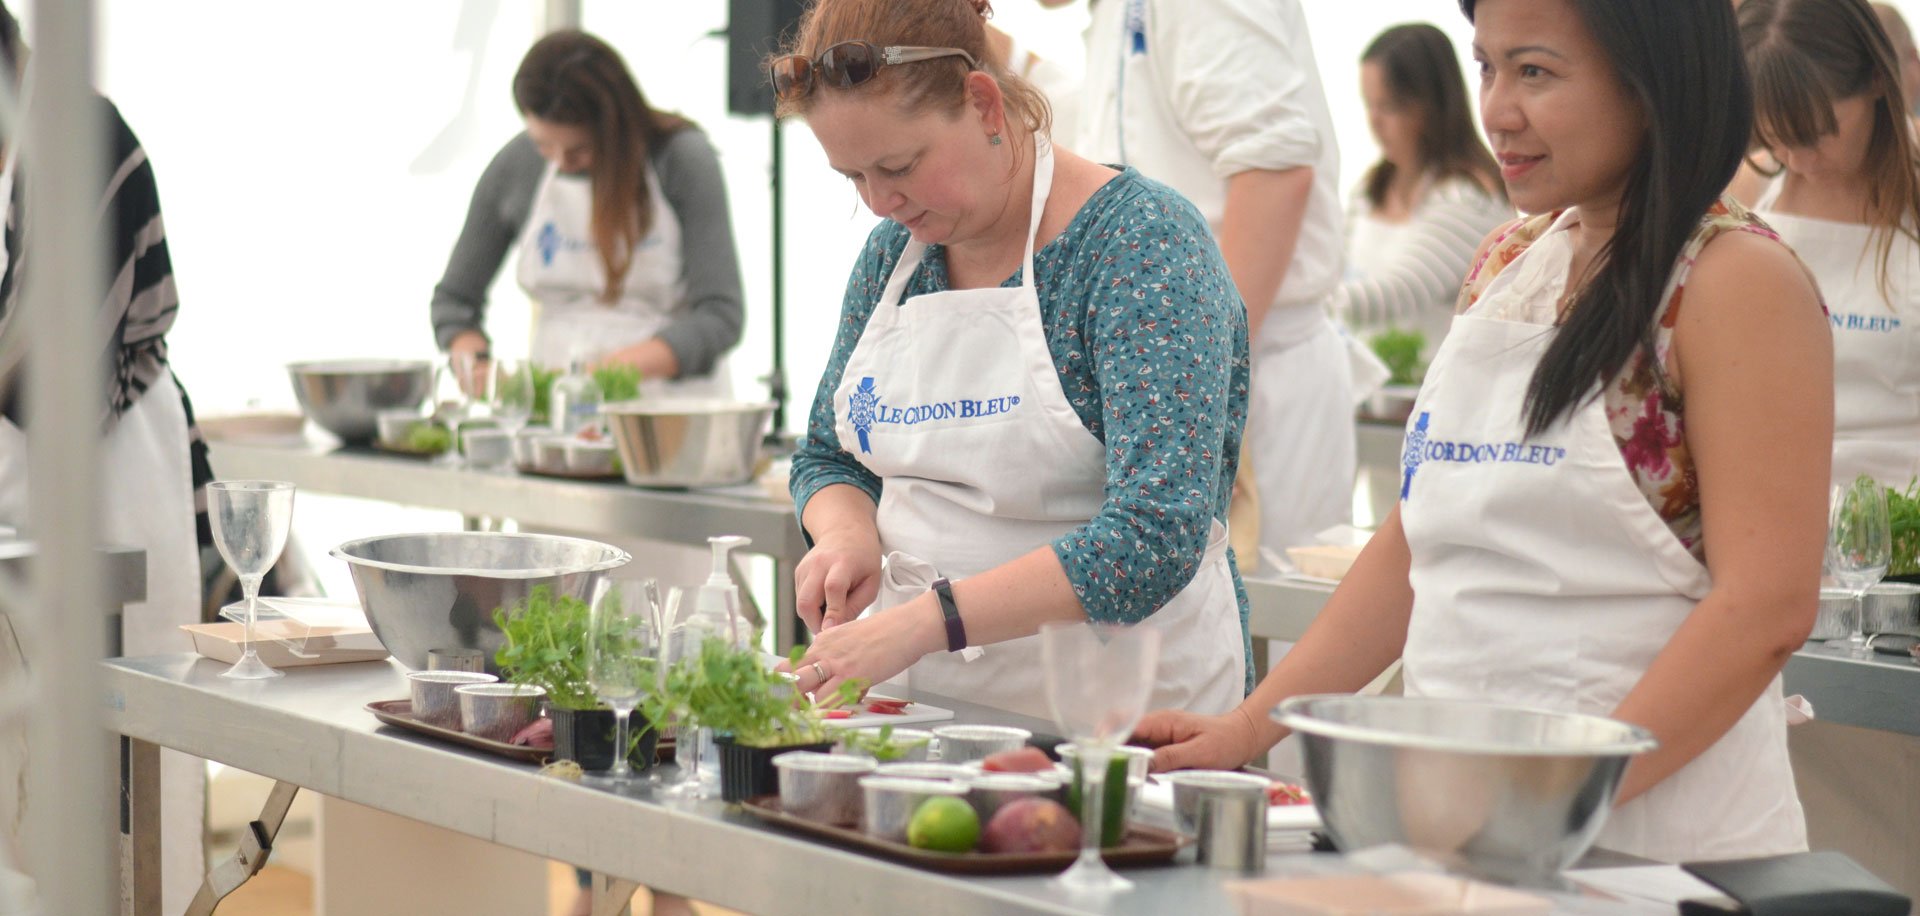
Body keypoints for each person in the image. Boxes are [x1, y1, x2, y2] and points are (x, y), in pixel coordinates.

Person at [1136, 0, 1830, 864]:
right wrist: (1246, 725)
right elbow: (1417, 545)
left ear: (1651, 84)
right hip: (1460, 825)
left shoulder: (1734, 280)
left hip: (1651, 850)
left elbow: (1765, 607)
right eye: (1487, 67)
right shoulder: (1510, 259)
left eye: (1535, 71)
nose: (1497, 109)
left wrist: (1554, 798)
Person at [775, 0, 1253, 719]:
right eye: (853, 178)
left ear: (983, 104)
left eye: (898, 166)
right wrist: (846, 536)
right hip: (919, 708)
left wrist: (924, 623)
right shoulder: (897, 257)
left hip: (1118, 717)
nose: (879, 202)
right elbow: (829, 455)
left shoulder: (1138, 245)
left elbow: (1155, 532)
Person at [0, 2, 215, 908]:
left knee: (129, 761)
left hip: (114, 467)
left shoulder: (73, 134)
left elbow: (50, 357)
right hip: (43, 478)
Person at [1060, 0, 1385, 560]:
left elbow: (1275, 173)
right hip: (1190, 372)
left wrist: (1196, 396)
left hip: (1236, 368)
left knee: (1259, 630)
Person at [431, 29, 744, 397]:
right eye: (544, 145)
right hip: (557, 407)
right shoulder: (517, 165)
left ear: (616, 125)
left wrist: (601, 376)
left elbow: (721, 316)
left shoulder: (680, 158)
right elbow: (455, 299)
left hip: (668, 409)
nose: (562, 162)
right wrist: (474, 362)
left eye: (579, 150)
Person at [1738, 0, 1920, 488]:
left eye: (1815, 135)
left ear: (1878, 81)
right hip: (1775, 502)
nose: (1797, 161)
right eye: (1774, 140)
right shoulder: (1744, 195)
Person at [1334, 23, 1512, 363]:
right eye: (1368, 105)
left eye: (1387, 106)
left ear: (1428, 106)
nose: (1374, 122)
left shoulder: (1467, 197)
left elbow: (1398, 293)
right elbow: (1336, 267)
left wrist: (1295, 303)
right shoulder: (1371, 188)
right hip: (1370, 394)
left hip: (1433, 396)